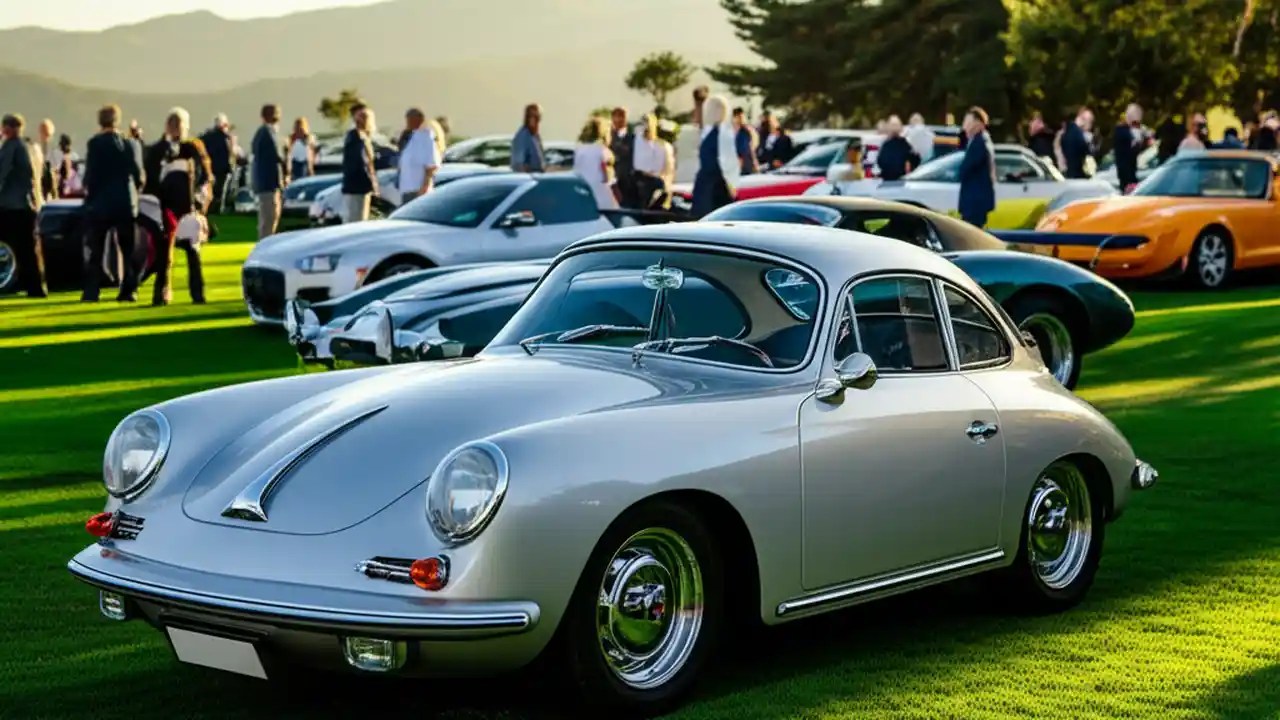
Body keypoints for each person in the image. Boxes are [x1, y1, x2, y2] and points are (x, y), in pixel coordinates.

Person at [144, 107, 212, 305]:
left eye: (179, 124)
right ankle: (162, 295)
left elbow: (205, 177)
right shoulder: (157, 151)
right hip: (166, 209)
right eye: (172, 124)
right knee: (165, 255)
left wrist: (200, 205)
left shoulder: (194, 148)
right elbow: (151, 180)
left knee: (193, 253)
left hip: (190, 209)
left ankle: (198, 295)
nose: (175, 128)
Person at [82, 104, 145, 303]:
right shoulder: (129, 144)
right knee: (128, 250)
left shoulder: (94, 144)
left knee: (96, 250)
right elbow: (138, 174)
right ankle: (129, 290)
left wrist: (90, 196)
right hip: (124, 202)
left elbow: (90, 176)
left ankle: (92, 291)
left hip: (101, 202)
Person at [0, 113, 48, 297]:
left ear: (7, 128)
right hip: (28, 205)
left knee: (22, 248)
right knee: (29, 249)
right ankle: (35, 286)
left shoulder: (11, 147)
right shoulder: (30, 147)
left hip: (11, 206)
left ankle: (27, 284)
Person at [690, 95, 739, 217]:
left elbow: (729, 161)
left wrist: (731, 184)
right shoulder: (707, 131)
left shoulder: (724, 133)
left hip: (716, 184)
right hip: (704, 183)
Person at [251, 104, 286, 239]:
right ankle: (265, 245)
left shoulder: (266, 133)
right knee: (269, 217)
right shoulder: (267, 133)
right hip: (268, 183)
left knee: (271, 216)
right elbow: (275, 156)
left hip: (269, 183)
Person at [957, 107, 996, 229]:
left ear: (978, 123)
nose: (965, 126)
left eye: (968, 122)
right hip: (974, 200)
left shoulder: (980, 142)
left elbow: (967, 167)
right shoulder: (977, 140)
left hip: (975, 202)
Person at [572, 116, 618, 210]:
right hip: (600, 193)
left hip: (583, 192)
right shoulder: (602, 150)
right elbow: (607, 176)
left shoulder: (579, 149)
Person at [341, 104, 378, 222]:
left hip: (355, 185)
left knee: (359, 218)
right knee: (357, 220)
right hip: (357, 186)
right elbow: (361, 162)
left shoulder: (359, 136)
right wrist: (370, 182)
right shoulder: (357, 137)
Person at [397, 107, 441, 205]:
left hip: (418, 188)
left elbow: (431, 165)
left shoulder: (426, 136)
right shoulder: (409, 136)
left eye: (410, 119)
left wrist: (425, 185)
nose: (407, 122)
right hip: (406, 188)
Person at [632, 113, 675, 209]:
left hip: (656, 182)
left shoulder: (662, 146)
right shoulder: (635, 141)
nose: (645, 127)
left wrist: (667, 187)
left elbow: (668, 170)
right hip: (639, 180)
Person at [199, 114, 234, 213]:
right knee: (220, 192)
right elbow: (229, 154)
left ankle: (208, 209)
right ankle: (218, 209)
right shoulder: (226, 138)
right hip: (222, 170)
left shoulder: (206, 137)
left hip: (209, 169)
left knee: (210, 191)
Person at [1112, 104, 1147, 191]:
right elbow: (1132, 149)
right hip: (1126, 174)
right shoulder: (1123, 131)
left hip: (1129, 172)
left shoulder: (1123, 130)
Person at [609, 107, 638, 208]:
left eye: (621, 116)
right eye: (616, 116)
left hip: (627, 179)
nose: (618, 119)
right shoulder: (607, 136)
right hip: (611, 178)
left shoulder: (633, 137)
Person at [876, 115, 916, 181]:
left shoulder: (886, 145)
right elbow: (914, 158)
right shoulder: (905, 144)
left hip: (886, 179)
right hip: (900, 178)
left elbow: (880, 161)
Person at [1060, 107, 1093, 178]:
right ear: (1082, 118)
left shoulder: (1069, 132)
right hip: (1077, 174)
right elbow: (1087, 154)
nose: (1090, 125)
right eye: (1090, 121)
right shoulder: (1077, 134)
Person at [511, 103, 544, 173]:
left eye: (536, 117)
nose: (533, 120)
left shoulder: (535, 136)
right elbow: (518, 164)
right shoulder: (522, 136)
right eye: (530, 116)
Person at [731, 107, 759, 175]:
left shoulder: (747, 131)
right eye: (738, 117)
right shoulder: (729, 131)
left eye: (742, 117)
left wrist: (754, 162)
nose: (741, 119)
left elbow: (751, 147)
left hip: (746, 164)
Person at [37, 118, 57, 200]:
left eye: (46, 132)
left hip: (50, 182)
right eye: (42, 131)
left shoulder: (55, 149)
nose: (44, 135)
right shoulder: (36, 147)